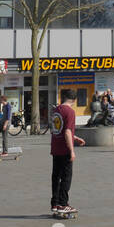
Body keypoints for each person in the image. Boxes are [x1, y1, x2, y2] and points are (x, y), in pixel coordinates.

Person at [50, 89, 85, 217]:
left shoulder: (56, 110)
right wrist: (72, 150)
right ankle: (63, 204)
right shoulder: (70, 112)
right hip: (64, 149)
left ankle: (55, 203)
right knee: (66, 177)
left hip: (55, 147)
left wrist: (75, 138)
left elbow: (58, 129)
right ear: (74, 100)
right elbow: (67, 132)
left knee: (56, 176)